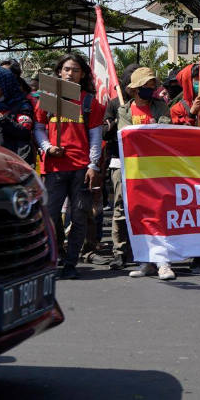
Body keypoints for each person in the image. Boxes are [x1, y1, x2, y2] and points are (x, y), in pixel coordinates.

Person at [33, 53, 105, 280]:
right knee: (51, 215)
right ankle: (58, 256)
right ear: (58, 72)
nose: (70, 73)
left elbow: (95, 136)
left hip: (81, 168)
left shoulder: (88, 102)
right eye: (66, 69)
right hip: (54, 168)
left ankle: (71, 263)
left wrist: (93, 164)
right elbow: (38, 128)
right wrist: (47, 147)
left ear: (82, 74)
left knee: (79, 216)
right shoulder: (48, 99)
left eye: (74, 70)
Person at [113, 68, 175, 279]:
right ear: (135, 89)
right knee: (137, 215)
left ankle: (163, 262)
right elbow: (126, 136)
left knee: (158, 214)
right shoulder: (124, 111)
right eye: (146, 86)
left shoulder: (161, 106)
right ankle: (145, 261)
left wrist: (145, 136)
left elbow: (165, 131)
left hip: (156, 169)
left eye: (152, 85)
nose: (150, 89)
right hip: (134, 171)